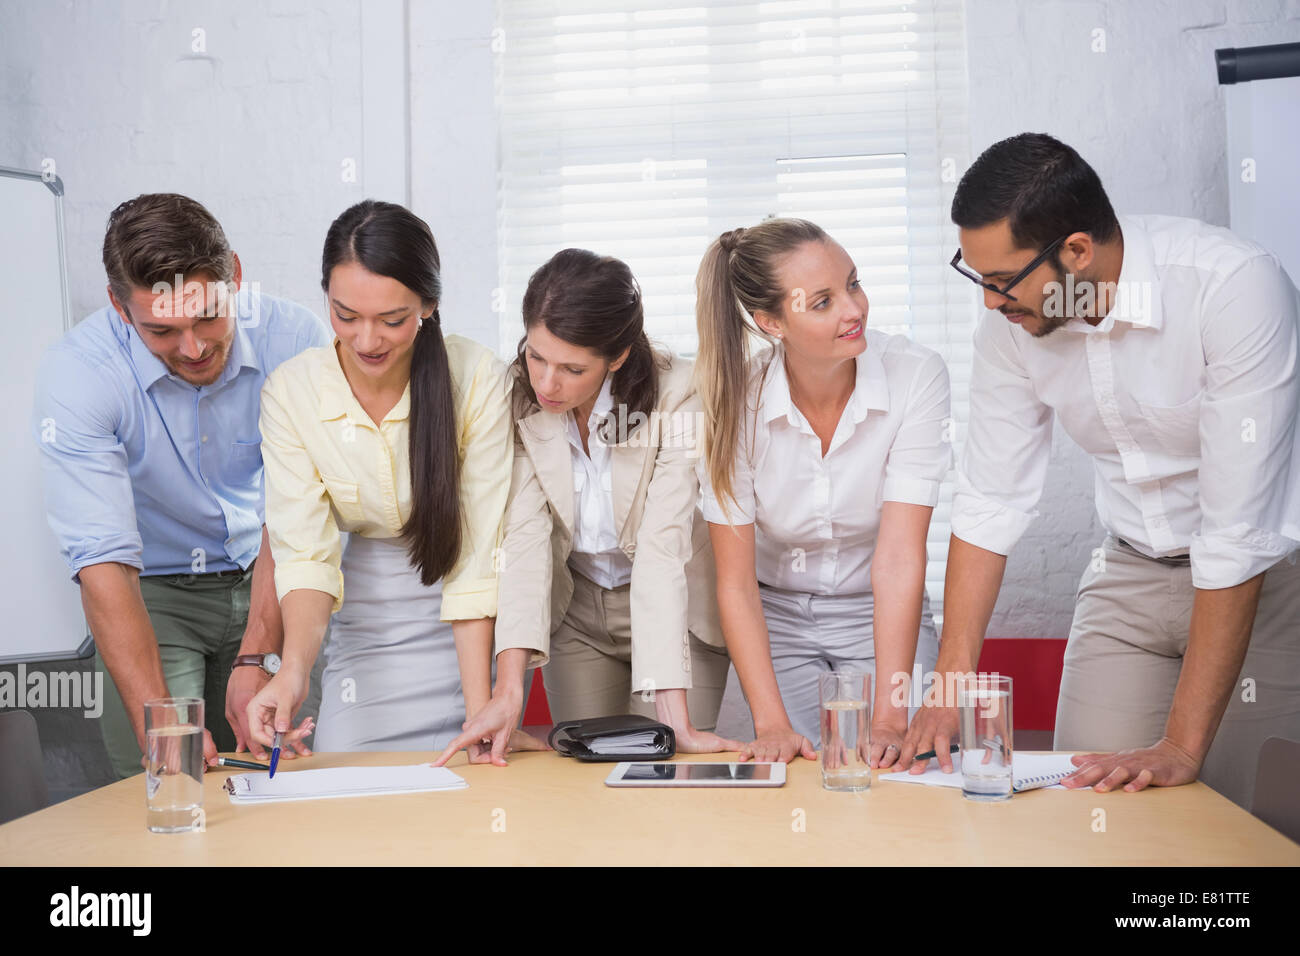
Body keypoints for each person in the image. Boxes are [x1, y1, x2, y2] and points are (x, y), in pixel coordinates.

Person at [899, 132, 1300, 810]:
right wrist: (947, 692)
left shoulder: (1232, 286)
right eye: (978, 280)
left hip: (1264, 583)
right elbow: (988, 502)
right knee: (1085, 809)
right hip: (1129, 576)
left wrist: (1180, 747)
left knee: (1246, 823)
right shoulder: (1011, 329)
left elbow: (1238, 534)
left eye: (1002, 282)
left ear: (1077, 251)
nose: (991, 303)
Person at [33, 193, 329, 779]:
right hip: (152, 596)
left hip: (272, 570)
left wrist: (259, 652)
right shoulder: (78, 374)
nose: (193, 349)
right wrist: (158, 726)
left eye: (208, 318)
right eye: (162, 330)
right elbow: (103, 562)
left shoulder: (295, 339)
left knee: (279, 778)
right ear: (122, 309)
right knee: (171, 782)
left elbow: (294, 512)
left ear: (235, 278)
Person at [246, 200, 540, 764]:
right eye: (345, 314)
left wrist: (479, 710)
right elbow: (305, 558)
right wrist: (292, 672)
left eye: (392, 319)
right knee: (351, 784)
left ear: (429, 304)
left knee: (477, 791)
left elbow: (478, 555)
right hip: (365, 616)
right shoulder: (291, 393)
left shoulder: (476, 377)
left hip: (468, 618)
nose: (367, 340)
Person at [435, 249, 738, 761]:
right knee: (585, 781)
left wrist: (675, 722)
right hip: (578, 614)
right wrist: (507, 690)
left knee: (663, 768)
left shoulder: (680, 395)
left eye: (573, 369)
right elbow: (524, 540)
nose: (547, 384)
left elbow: (663, 550)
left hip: (677, 608)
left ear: (617, 357)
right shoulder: (518, 397)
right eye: (536, 356)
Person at [695, 218, 952, 764]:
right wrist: (771, 725)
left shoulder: (916, 375)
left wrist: (888, 719)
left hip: (878, 609)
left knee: (900, 771)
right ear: (771, 322)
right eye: (822, 302)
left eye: (853, 284)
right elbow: (736, 584)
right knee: (813, 776)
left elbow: (901, 559)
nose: (854, 309)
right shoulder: (734, 402)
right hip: (778, 617)